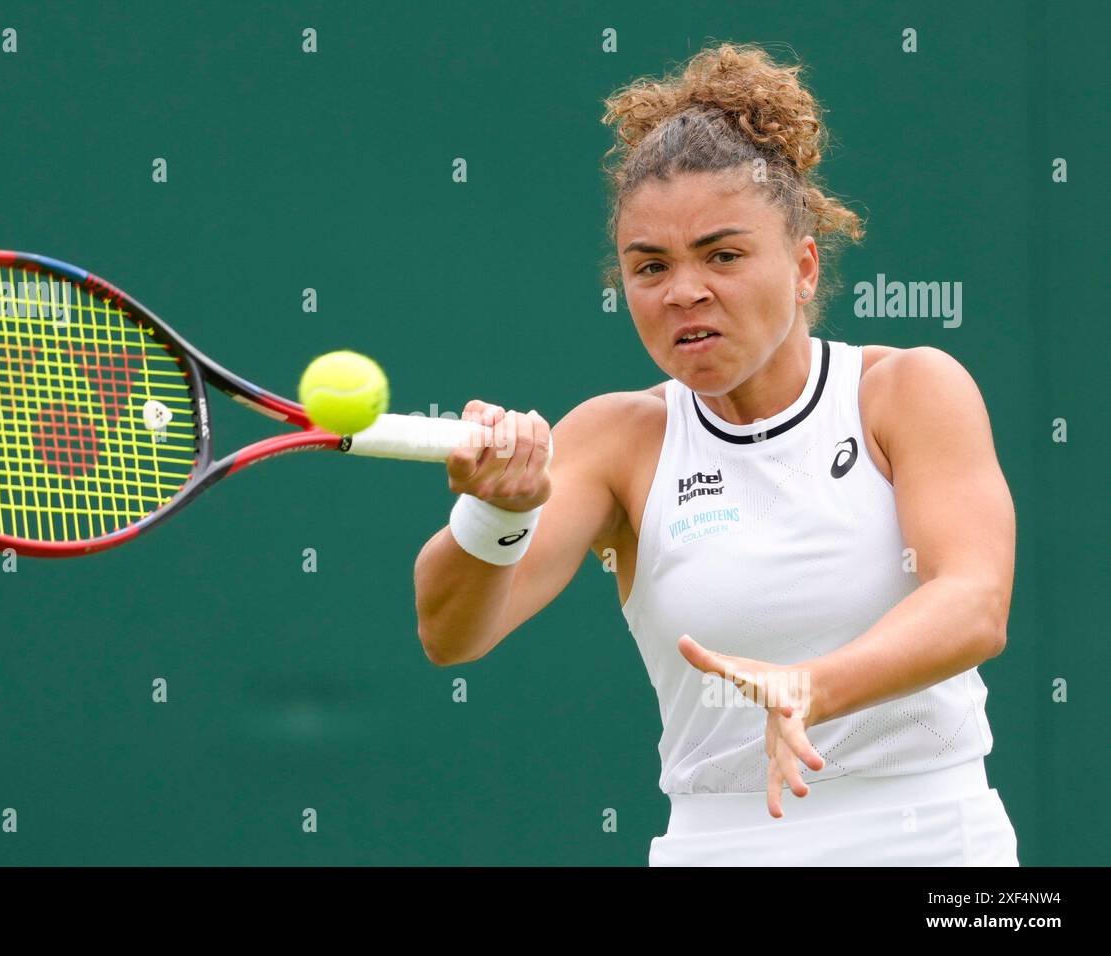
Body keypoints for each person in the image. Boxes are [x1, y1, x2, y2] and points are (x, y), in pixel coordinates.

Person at [412, 42, 1019, 866]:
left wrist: (815, 686)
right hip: (719, 844)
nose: (684, 291)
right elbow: (451, 635)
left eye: (723, 255)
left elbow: (975, 602)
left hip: (937, 841)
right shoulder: (616, 439)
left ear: (804, 266)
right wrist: (497, 513)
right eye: (649, 266)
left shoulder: (909, 391)